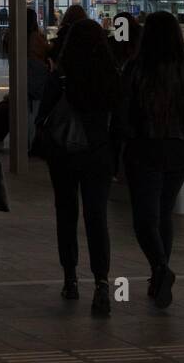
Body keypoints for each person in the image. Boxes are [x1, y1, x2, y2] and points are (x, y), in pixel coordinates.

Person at [120, 10, 184, 309]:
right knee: (163, 215)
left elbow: (122, 115)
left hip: (144, 148)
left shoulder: (134, 69)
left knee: (143, 219)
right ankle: (157, 275)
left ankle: (160, 269)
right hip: (179, 151)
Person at [34, 18, 121, 316]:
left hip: (63, 154)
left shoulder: (59, 77)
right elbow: (120, 121)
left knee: (66, 212)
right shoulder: (111, 76)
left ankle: (70, 278)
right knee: (97, 217)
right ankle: (101, 283)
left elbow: (43, 117)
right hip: (98, 154)